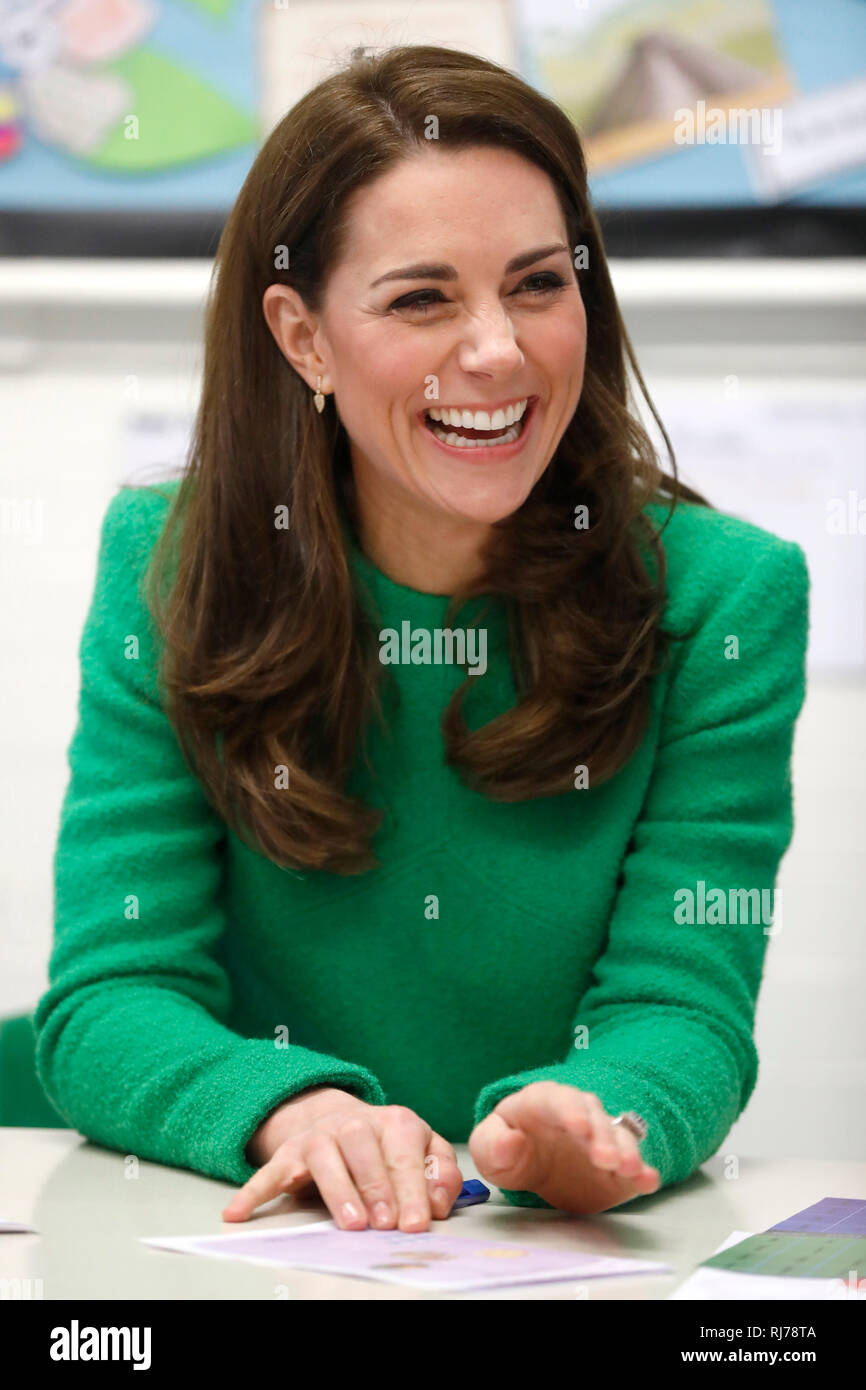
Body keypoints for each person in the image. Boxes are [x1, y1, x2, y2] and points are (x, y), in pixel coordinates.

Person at [35, 45, 809, 1234]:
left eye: (540, 284)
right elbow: (112, 995)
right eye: (420, 297)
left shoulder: (723, 599)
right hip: (258, 1242)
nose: (498, 350)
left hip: (544, 1254)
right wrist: (298, 1110)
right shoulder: (170, 564)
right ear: (301, 338)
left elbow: (683, 1002)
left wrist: (598, 1119)